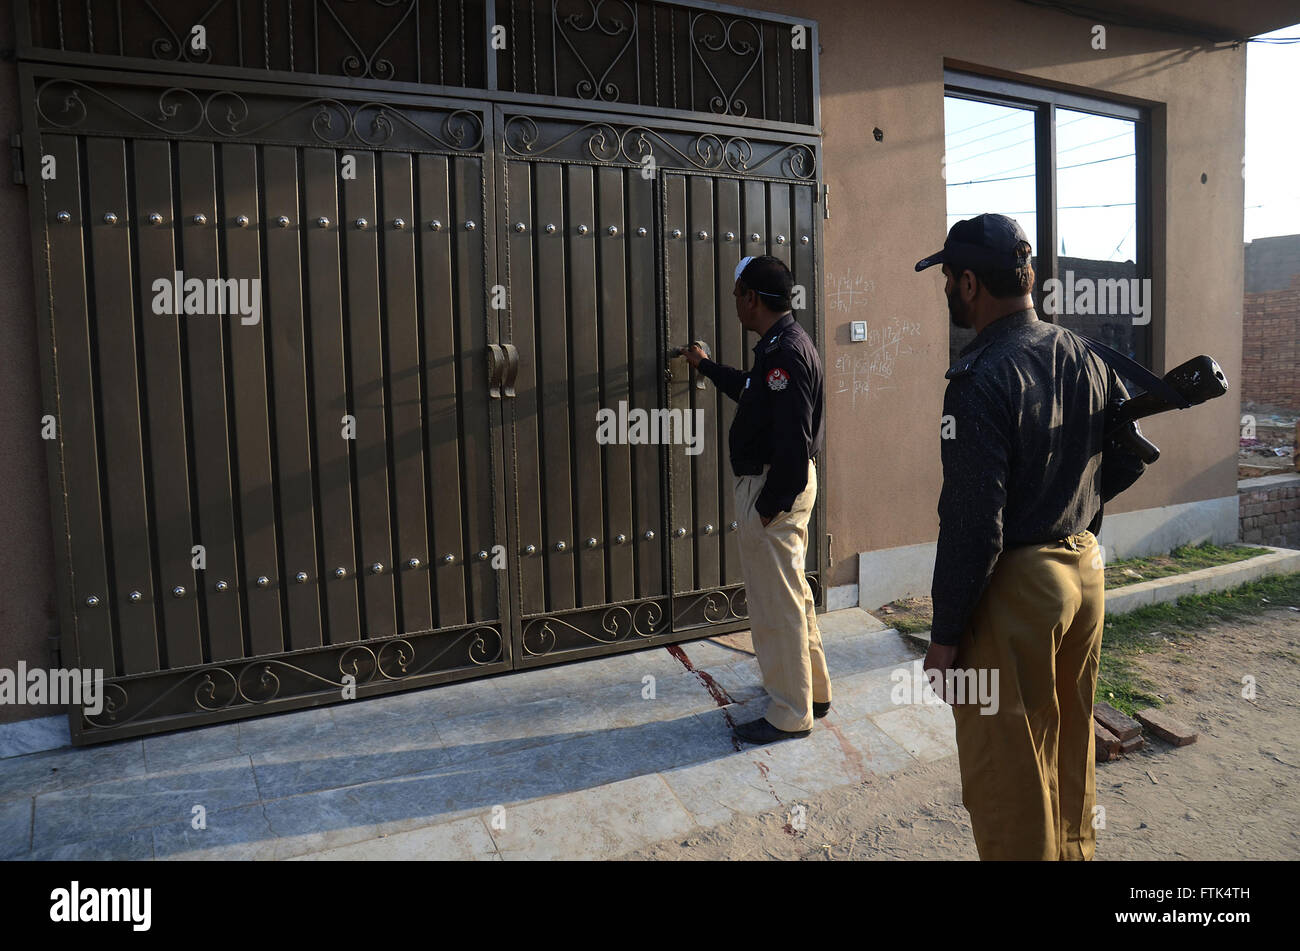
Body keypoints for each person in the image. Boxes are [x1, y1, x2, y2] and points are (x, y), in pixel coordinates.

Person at [915, 213, 1146, 860]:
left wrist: (944, 638)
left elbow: (972, 522)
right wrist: (1072, 507)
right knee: (1069, 755)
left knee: (1010, 780)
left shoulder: (979, 376)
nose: (945, 292)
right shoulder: (1083, 353)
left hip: (1018, 591)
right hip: (1084, 573)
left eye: (947, 280)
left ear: (968, 282)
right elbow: (1126, 458)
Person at [680, 255, 830, 745]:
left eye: (737, 294)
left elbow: (792, 437)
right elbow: (750, 390)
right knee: (795, 598)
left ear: (752, 298)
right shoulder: (780, 345)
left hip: (774, 491)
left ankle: (789, 713)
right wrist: (705, 367)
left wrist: (768, 506)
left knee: (776, 607)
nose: (735, 305)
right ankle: (814, 692)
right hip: (782, 489)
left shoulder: (784, 353)